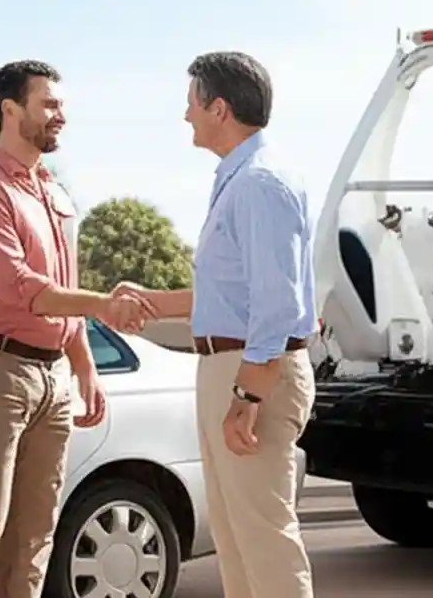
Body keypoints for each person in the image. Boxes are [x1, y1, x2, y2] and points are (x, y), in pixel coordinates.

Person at [0, 59, 155, 598]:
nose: (61, 116)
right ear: (11, 110)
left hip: (52, 377)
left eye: (61, 106)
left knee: (35, 534)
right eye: (49, 105)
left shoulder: (54, 193)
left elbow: (63, 285)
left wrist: (83, 366)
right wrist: (106, 305)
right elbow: (20, 286)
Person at [113, 51, 318, 598]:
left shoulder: (259, 182)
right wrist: (155, 301)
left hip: (252, 370)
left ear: (219, 108)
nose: (187, 116)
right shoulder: (242, 178)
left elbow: (276, 305)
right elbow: (235, 292)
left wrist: (248, 395)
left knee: (264, 540)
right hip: (230, 365)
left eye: (192, 104)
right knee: (236, 539)